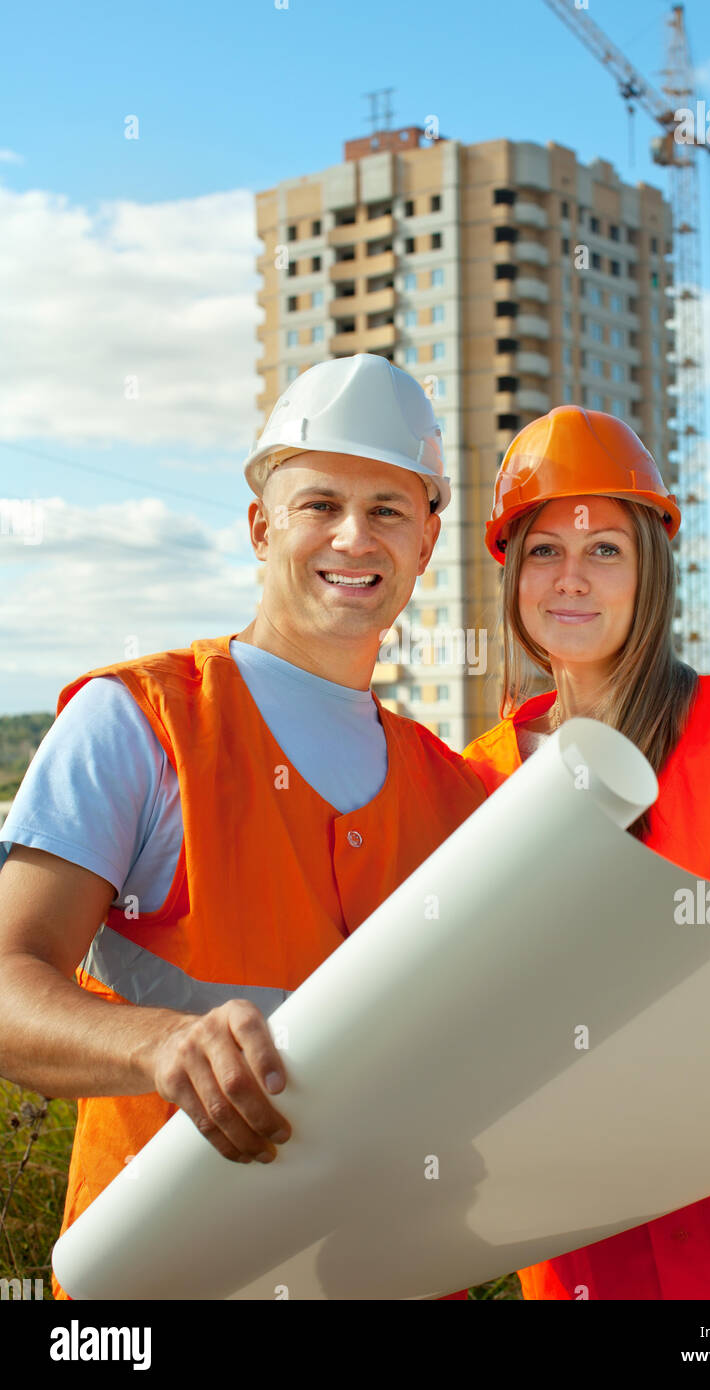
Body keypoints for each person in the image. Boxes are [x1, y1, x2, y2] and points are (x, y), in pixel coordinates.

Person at [0, 353, 486, 1302]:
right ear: (263, 527)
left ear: (427, 542)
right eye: (320, 504)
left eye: (389, 509)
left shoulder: (453, 793)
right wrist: (156, 1046)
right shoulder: (137, 721)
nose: (355, 536)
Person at [462, 403, 710, 1301]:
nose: (572, 578)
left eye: (605, 548)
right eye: (544, 550)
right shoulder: (476, 786)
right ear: (512, 576)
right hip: (584, 1253)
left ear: (652, 572)